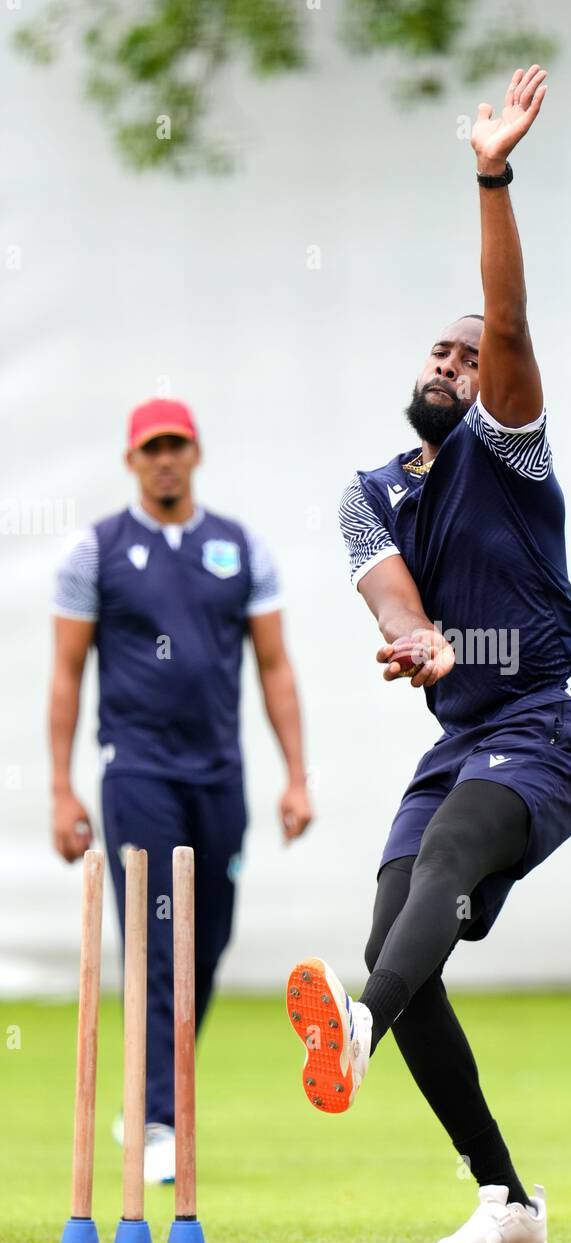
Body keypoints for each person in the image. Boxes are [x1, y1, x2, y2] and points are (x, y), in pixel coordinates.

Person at [286, 64, 571, 1243]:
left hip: (554, 721)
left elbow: (510, 324)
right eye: (439, 348)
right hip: (464, 733)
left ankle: (360, 1031)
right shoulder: (369, 491)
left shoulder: (511, 454)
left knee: (451, 861)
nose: (451, 361)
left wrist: (492, 172)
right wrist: (416, 641)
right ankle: (507, 1197)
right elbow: (395, 602)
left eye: (468, 356)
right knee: (398, 940)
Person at [51, 396, 313, 1182]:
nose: (165, 459)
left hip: (219, 777)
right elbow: (66, 675)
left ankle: (150, 1096)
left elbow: (273, 667)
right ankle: (159, 1117)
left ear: (195, 453)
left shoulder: (240, 548)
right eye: (150, 448)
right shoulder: (95, 552)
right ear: (132, 460)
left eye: (177, 445)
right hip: (137, 772)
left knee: (210, 940)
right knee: (159, 943)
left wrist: (297, 776)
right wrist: (63, 790)